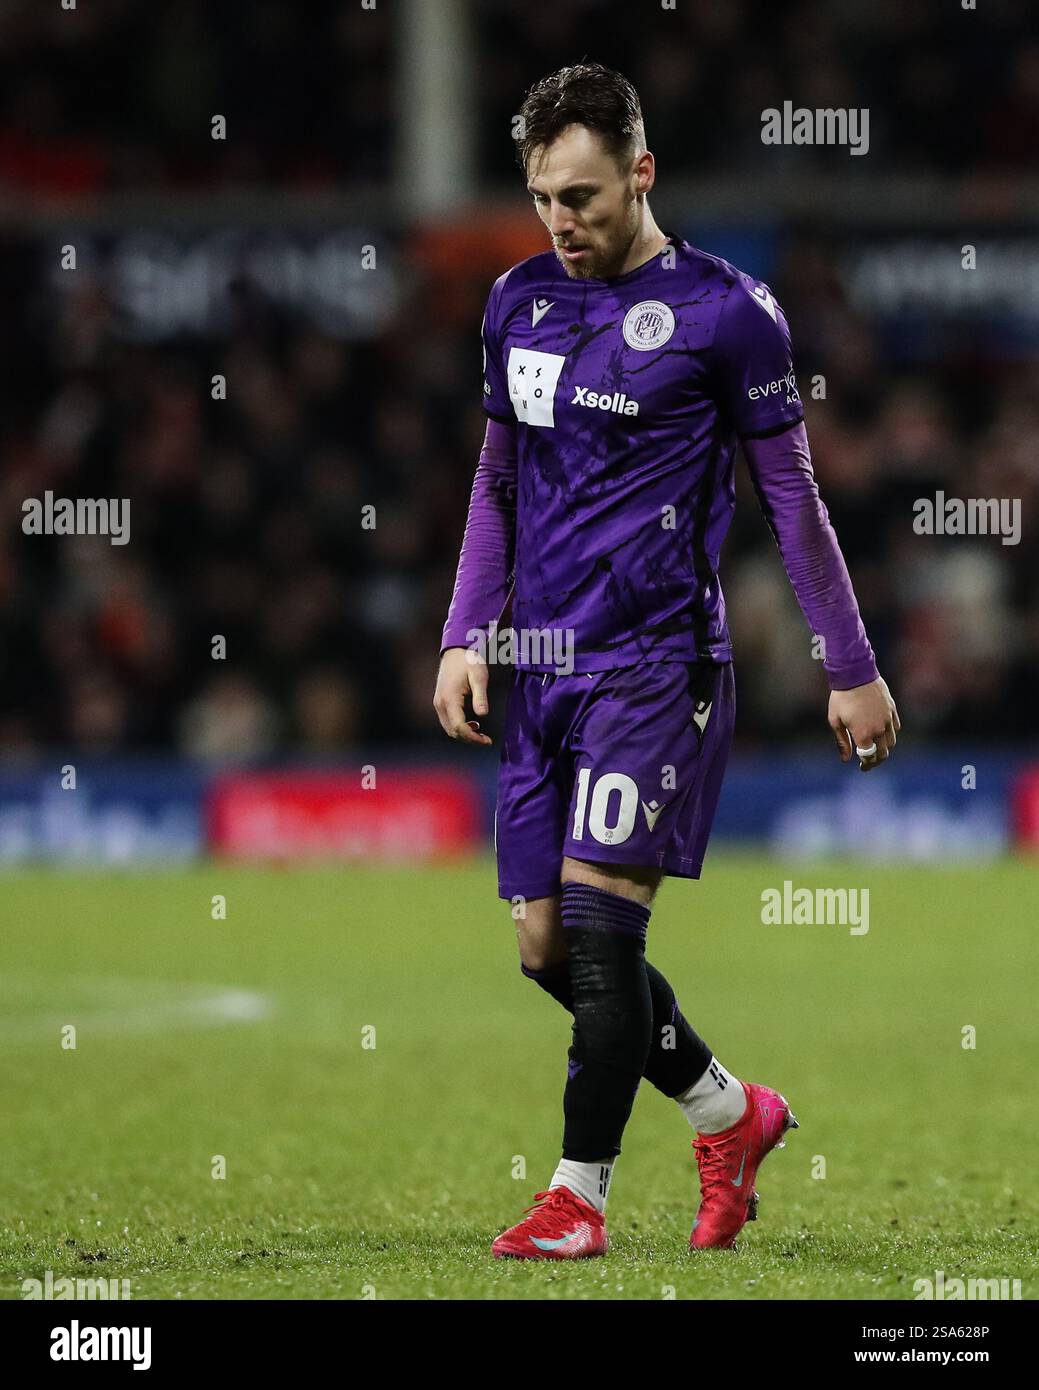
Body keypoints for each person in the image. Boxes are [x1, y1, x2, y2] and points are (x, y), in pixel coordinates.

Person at [433, 62, 899, 1258]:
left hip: (654, 669)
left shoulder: (728, 314)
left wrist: (848, 663)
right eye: (542, 197)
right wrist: (462, 633)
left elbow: (791, 499)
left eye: (583, 194)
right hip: (538, 667)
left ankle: (576, 1198)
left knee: (599, 937)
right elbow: (494, 481)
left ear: (641, 173)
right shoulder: (515, 304)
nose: (561, 221)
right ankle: (730, 1115)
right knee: (544, 950)